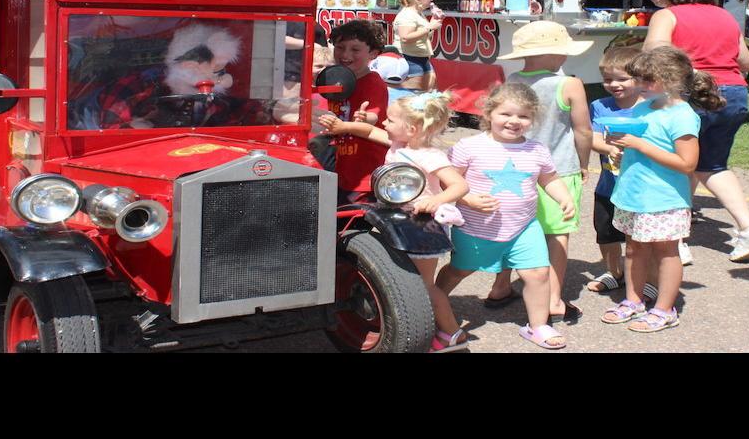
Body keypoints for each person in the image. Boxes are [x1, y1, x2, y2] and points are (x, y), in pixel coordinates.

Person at [319, 92, 470, 352]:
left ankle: (453, 332)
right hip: (401, 220)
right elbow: (367, 130)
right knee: (408, 278)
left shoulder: (429, 155)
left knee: (423, 286)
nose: (384, 125)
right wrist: (343, 127)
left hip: (423, 224)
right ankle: (427, 323)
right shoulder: (398, 144)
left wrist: (436, 200)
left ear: (410, 128)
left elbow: (460, 185)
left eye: (389, 120)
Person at [644, 0, 749, 262]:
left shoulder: (668, 15)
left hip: (691, 92)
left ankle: (674, 240)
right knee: (711, 164)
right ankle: (748, 228)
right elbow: (746, 61)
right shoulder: (725, 16)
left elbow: (655, 51)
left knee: (675, 163)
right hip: (733, 93)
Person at [434, 83, 576, 350]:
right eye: (506, 114)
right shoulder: (469, 146)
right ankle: (433, 302)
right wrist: (467, 199)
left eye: (523, 116)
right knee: (459, 270)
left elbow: (550, 179)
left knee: (537, 274)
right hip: (476, 229)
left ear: (532, 119)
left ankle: (538, 326)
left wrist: (564, 197)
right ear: (488, 113)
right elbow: (447, 182)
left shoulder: (536, 149)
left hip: (524, 227)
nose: (514, 121)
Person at [599, 46, 724, 332]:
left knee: (667, 252)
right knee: (633, 249)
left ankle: (664, 309)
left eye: (645, 80)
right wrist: (622, 150)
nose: (638, 85)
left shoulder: (682, 116)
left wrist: (640, 145)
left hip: (663, 198)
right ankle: (633, 300)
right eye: (638, 79)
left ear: (668, 80)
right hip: (633, 193)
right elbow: (638, 143)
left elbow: (687, 163)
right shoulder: (644, 107)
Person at [482, 21, 593, 325]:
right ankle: (554, 299)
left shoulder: (512, 80)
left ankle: (500, 286)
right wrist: (584, 164)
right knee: (556, 235)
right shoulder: (569, 84)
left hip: (515, 169)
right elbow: (583, 130)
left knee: (513, 229)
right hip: (559, 168)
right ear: (553, 54)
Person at [70, 23, 282, 130]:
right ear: (191, 66)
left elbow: (230, 111)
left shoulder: (204, 94)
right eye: (218, 68)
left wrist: (272, 110)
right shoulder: (137, 89)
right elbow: (112, 134)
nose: (224, 77)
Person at [586, 46, 642, 294]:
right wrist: (607, 148)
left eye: (622, 79)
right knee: (606, 233)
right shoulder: (600, 106)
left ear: (640, 78)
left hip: (640, 188)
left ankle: (644, 278)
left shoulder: (650, 107)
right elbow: (592, 137)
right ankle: (614, 272)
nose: (614, 84)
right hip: (609, 185)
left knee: (638, 238)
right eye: (608, 79)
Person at [322, 19, 390, 204]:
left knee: (354, 221)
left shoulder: (373, 82)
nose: (345, 54)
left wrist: (364, 118)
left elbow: (374, 116)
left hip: (363, 172)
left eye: (355, 49)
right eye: (340, 47)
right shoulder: (331, 79)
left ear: (373, 54)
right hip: (338, 166)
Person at [393, 0, 442, 92]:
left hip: (420, 57)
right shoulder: (407, 15)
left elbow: (423, 33)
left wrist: (434, 20)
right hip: (410, 58)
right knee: (415, 94)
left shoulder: (418, 13)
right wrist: (429, 27)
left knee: (430, 89)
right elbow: (405, 37)